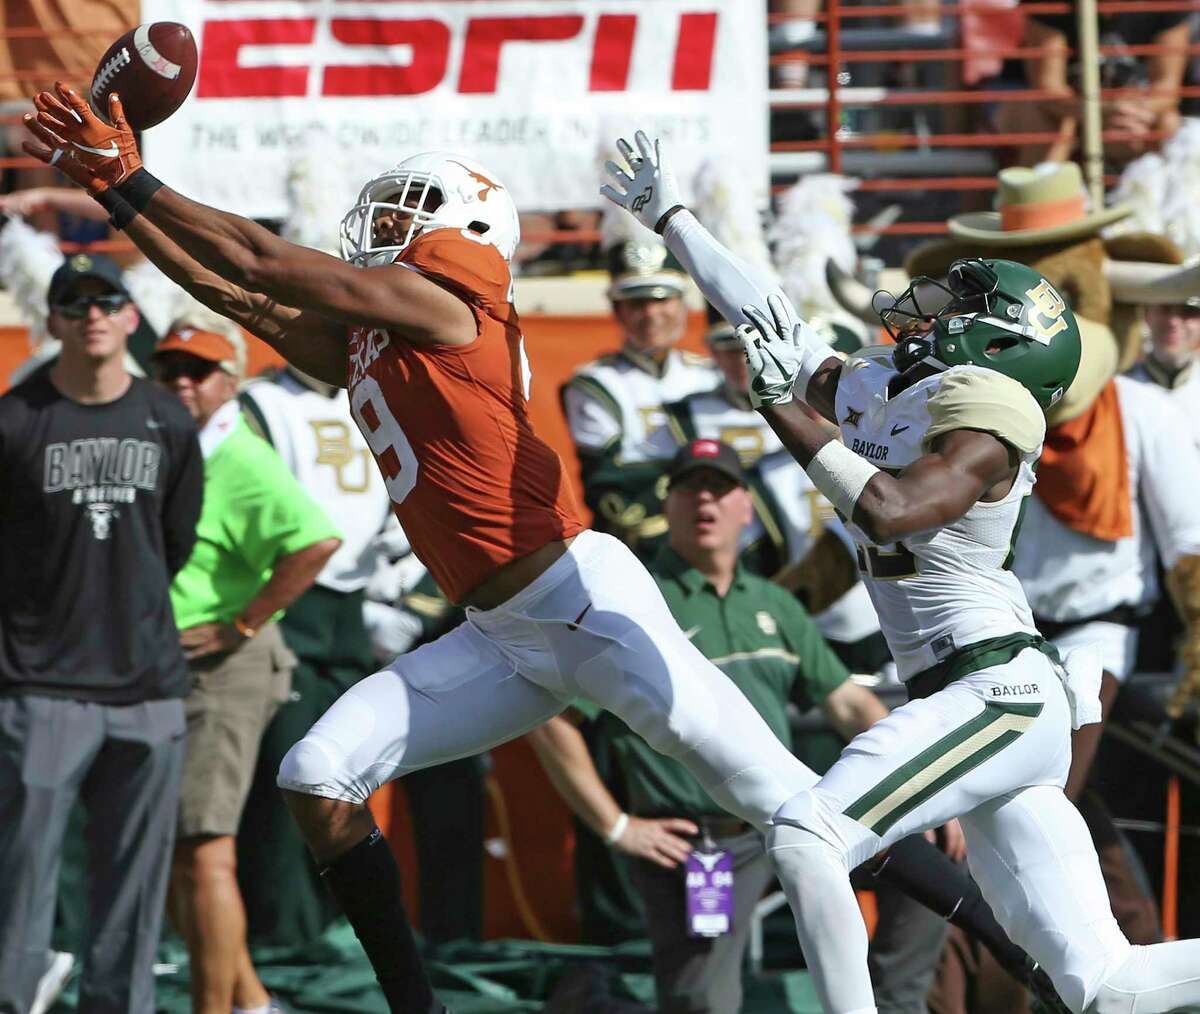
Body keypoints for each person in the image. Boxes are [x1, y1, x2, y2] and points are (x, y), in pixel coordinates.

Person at [23, 84, 859, 1014]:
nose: (383, 222)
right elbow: (233, 289)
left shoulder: (457, 312)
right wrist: (114, 196)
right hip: (502, 631)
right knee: (316, 775)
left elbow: (261, 254)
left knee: (795, 812)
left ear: (466, 230)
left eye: (409, 210)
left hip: (586, 601)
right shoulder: (388, 337)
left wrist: (132, 172)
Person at [597, 128, 1200, 1012]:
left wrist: (780, 412)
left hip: (996, 690)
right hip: (964, 691)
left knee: (807, 833)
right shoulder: (896, 386)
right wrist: (675, 218)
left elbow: (892, 508)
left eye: (957, 307)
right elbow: (768, 316)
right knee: (1108, 989)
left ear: (999, 343)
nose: (927, 314)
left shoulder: (993, 407)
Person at [528, 439, 886, 1013]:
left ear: (748, 506)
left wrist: (911, 794)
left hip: (792, 824)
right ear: (667, 506)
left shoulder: (774, 602)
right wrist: (616, 826)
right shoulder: (633, 605)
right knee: (703, 1001)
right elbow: (552, 722)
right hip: (698, 845)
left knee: (926, 876)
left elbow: (851, 705)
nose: (706, 502)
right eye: (690, 488)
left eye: (721, 488)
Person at [0, 253, 203, 1013]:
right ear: (52, 320)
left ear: (128, 316)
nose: (90, 314)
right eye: (73, 302)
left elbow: (174, 540)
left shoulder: (168, 418)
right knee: (20, 887)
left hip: (148, 687)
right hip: (39, 686)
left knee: (134, 891)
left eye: (105, 300)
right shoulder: (15, 419)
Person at [152, 322, 341, 1014]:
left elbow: (317, 539)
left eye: (197, 371)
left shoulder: (239, 456)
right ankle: (252, 1003)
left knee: (205, 848)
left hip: (221, 667)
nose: (181, 381)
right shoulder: (185, 447)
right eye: (169, 368)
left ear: (230, 381)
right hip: (173, 664)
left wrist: (241, 623)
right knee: (184, 849)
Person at [235, 363, 395, 949]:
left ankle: (329, 931)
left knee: (347, 785)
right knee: (287, 784)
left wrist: (400, 579)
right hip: (288, 603)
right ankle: (282, 939)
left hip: (354, 610)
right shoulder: (262, 402)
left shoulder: (378, 394)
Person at [562, 236, 718, 561]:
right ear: (617, 310)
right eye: (636, 303)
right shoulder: (594, 383)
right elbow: (608, 481)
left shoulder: (711, 376)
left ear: (683, 304)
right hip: (638, 545)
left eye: (662, 300)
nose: (651, 314)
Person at [998, 2, 1191, 167]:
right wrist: (1101, 112)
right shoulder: (1051, 5)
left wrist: (1130, 112)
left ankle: (1160, 206)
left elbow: (1167, 89)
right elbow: (1049, 92)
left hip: (1126, 113)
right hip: (1048, 109)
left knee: (1168, 122)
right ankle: (1040, 203)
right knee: (1051, 125)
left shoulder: (1166, 5)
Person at [1126, 297, 1200, 448]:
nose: (1174, 322)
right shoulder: (1119, 391)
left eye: (1188, 311)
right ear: (1147, 315)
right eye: (1165, 309)